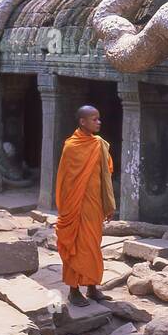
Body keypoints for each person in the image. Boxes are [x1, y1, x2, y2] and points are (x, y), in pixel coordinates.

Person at [54, 104, 116, 305]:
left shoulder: (99, 144)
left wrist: (108, 204)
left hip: (94, 205)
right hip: (76, 206)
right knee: (76, 245)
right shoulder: (71, 146)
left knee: (92, 246)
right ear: (82, 121)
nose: (99, 122)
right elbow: (65, 180)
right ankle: (73, 291)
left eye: (99, 118)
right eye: (94, 119)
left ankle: (92, 287)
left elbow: (106, 174)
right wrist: (68, 207)